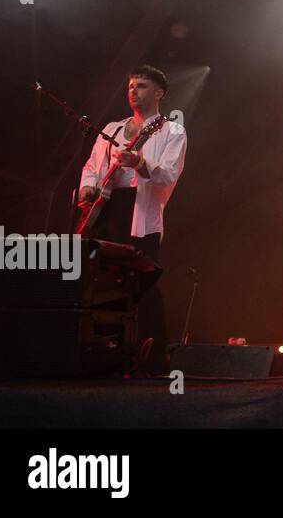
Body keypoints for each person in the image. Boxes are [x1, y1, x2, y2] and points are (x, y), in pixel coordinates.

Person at [78, 64, 187, 374]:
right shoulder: (111, 129)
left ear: (159, 93)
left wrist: (140, 162)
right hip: (106, 213)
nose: (133, 91)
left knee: (142, 287)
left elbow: (168, 174)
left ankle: (151, 362)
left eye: (140, 86)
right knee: (101, 287)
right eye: (130, 86)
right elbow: (91, 166)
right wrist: (87, 188)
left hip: (141, 216)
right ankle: (104, 358)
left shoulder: (171, 130)